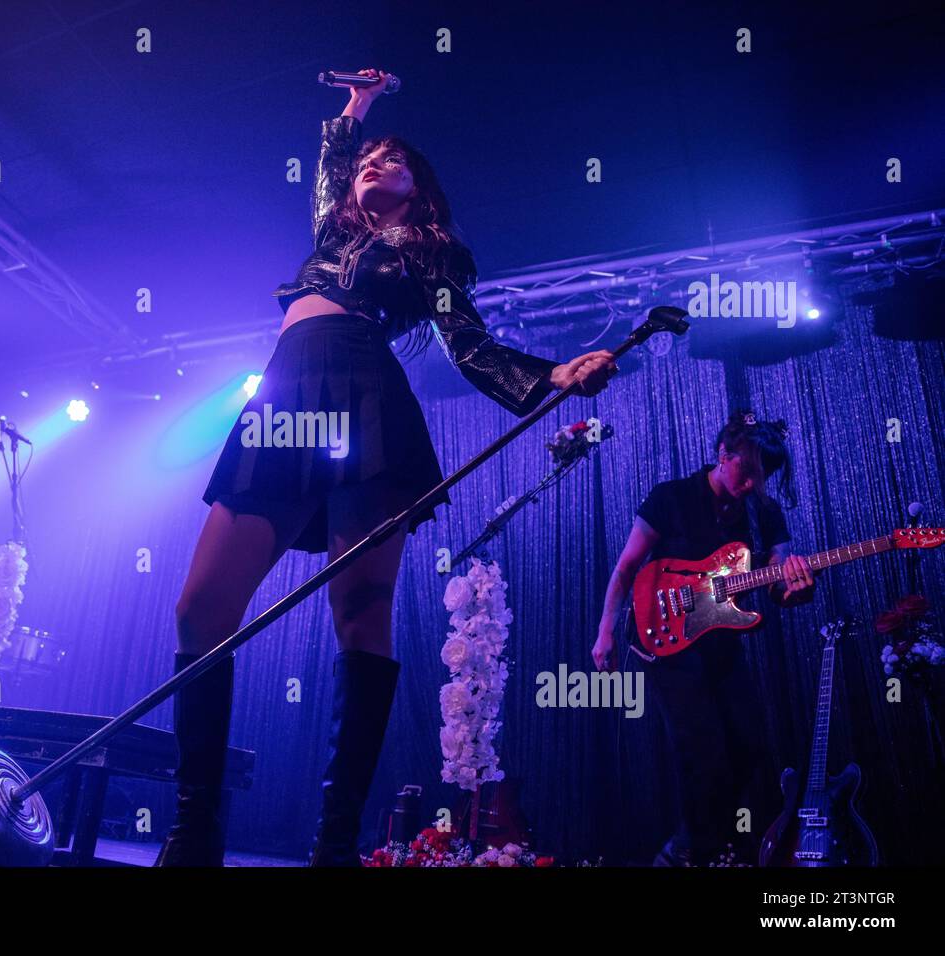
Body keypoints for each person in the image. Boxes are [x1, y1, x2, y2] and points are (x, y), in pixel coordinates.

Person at [159, 68, 617, 867]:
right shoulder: (332, 234)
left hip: (367, 399)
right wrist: (358, 108)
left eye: (393, 160)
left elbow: (467, 343)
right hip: (284, 397)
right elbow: (334, 162)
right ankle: (194, 831)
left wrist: (550, 375)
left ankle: (334, 844)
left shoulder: (433, 253)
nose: (375, 163)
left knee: (360, 621)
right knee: (200, 609)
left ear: (419, 187)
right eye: (368, 159)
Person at [592, 411, 815, 865]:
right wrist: (605, 631)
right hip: (663, 640)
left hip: (719, 642)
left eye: (763, 476)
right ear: (722, 454)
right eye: (746, 472)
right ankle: (695, 850)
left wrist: (796, 590)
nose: (752, 484)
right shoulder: (671, 497)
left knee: (750, 744)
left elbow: (777, 584)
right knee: (701, 748)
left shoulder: (764, 513)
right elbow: (626, 568)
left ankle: (694, 842)